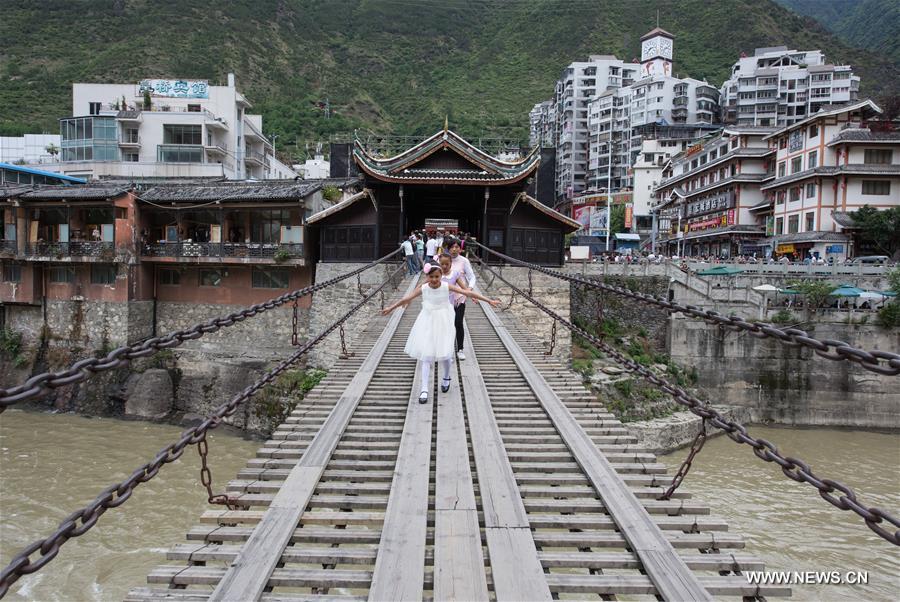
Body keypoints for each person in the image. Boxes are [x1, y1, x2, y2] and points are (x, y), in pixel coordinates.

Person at [381, 263, 500, 403]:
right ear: (427, 276)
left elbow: (468, 292)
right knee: (426, 355)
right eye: (431, 277)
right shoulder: (424, 288)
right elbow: (407, 298)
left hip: (444, 321)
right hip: (427, 321)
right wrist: (391, 307)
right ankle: (424, 388)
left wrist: (488, 300)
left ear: (441, 276)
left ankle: (446, 376)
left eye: (437, 276)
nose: (434, 279)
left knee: (445, 354)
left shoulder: (446, 286)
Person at [446, 238, 476, 360]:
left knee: (458, 322)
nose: (454, 249)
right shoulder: (443, 259)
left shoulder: (464, 261)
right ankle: (446, 349)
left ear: (460, 248)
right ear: (448, 248)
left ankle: (460, 349)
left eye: (457, 247)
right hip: (445, 296)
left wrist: (470, 289)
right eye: (452, 247)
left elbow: (472, 277)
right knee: (446, 323)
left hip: (460, 296)